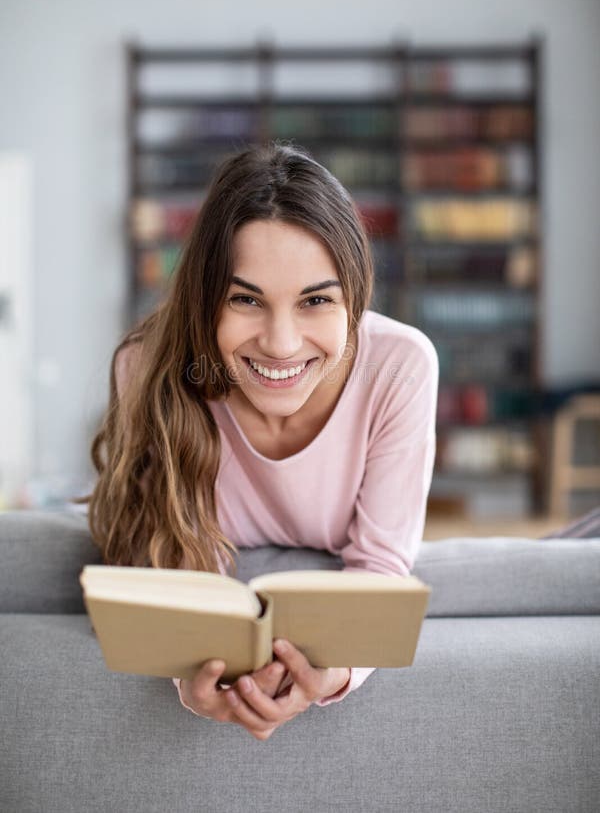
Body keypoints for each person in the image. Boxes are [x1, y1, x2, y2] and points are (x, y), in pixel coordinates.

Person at [79, 140, 439, 740]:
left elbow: (381, 565)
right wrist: (185, 673)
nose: (280, 343)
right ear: (205, 298)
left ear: (352, 298)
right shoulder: (147, 367)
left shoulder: (401, 365)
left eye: (316, 301)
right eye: (246, 299)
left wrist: (334, 672)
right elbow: (167, 566)